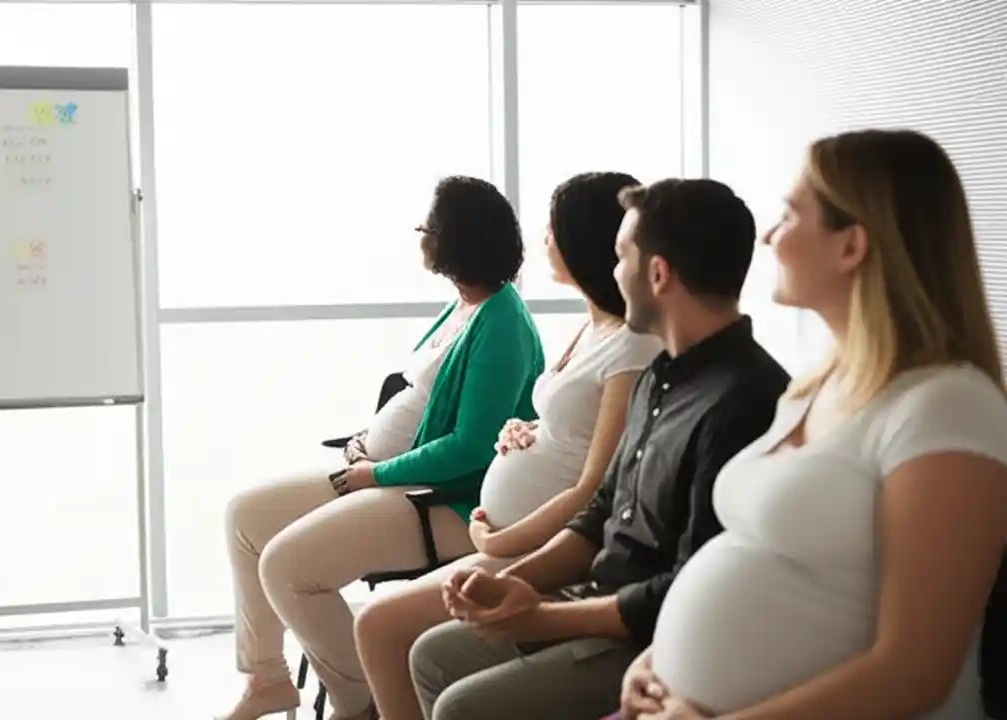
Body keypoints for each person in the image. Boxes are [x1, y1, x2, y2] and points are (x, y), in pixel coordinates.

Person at [618, 130, 1007, 720]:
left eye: (789, 214)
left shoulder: (948, 406)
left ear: (851, 245)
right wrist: (654, 659)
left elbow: (915, 672)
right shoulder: (815, 385)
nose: (770, 236)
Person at [408, 178, 790, 720]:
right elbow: (601, 511)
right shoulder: (662, 375)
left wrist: (543, 617)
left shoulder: (743, 399)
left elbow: (690, 585)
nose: (611, 274)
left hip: (651, 637)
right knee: (433, 656)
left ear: (657, 274)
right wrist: (510, 581)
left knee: (462, 707)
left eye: (620, 257)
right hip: (595, 596)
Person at [220, 176, 545, 720]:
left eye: (429, 227)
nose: (421, 236)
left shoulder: (503, 323)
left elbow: (469, 446)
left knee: (286, 566)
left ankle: (365, 702)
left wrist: (377, 472)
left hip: (441, 499)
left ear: (458, 239)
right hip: (385, 473)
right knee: (246, 517)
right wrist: (364, 446)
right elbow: (419, 401)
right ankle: (267, 678)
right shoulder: (463, 306)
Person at [354, 171, 662, 720]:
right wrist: (525, 430)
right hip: (503, 532)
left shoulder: (633, 345)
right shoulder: (590, 326)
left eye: (553, 229)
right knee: (382, 626)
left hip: (537, 544)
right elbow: (568, 424)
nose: (542, 239)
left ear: (585, 239)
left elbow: (597, 483)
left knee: (383, 625)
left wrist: (499, 541)